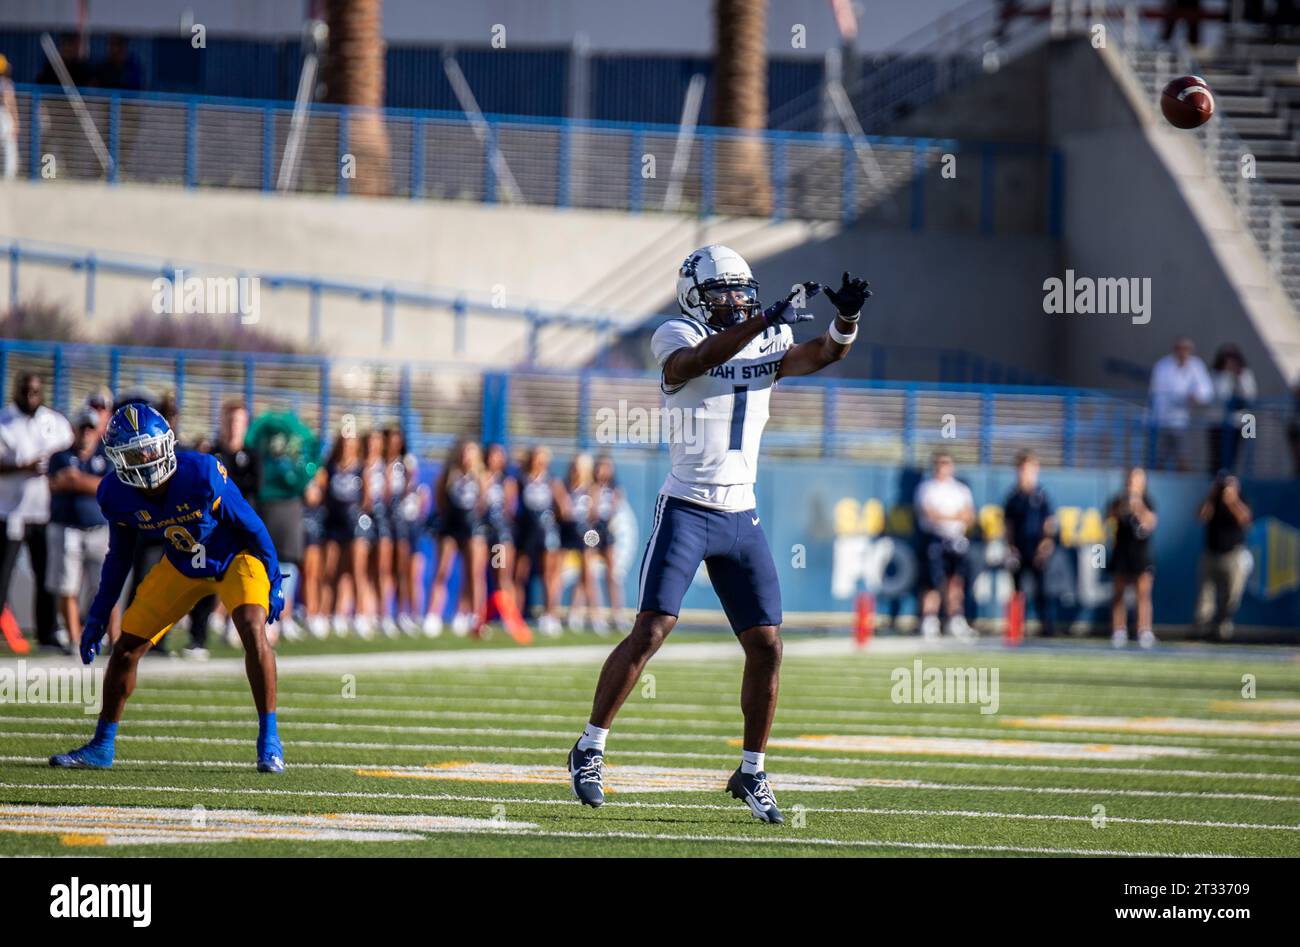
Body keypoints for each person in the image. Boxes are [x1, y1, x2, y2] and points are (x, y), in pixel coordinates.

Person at [568, 246, 870, 824]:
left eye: (742, 290)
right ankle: (590, 747)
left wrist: (847, 319)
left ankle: (752, 770)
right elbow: (697, 360)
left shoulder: (764, 335)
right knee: (652, 629)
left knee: (768, 645)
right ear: (695, 294)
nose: (736, 299)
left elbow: (824, 353)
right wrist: (765, 321)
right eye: (724, 291)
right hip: (686, 507)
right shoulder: (674, 331)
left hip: (742, 515)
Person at [49, 403, 285, 772]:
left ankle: (269, 739)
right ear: (116, 458)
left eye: (147, 449)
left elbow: (253, 527)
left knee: (253, 629)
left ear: (166, 444)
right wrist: (96, 617)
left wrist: (273, 580)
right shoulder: (115, 492)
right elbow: (119, 557)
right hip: (183, 563)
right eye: (132, 453)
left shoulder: (201, 472)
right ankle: (102, 745)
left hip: (234, 557)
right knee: (126, 647)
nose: (143, 460)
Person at [0, 373, 74, 651]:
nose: (30, 397)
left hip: (45, 512)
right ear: (16, 391)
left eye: (35, 392)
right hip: (11, 513)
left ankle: (47, 632)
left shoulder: (54, 423)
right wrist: (23, 467)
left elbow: (70, 457)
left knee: (46, 575)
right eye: (25, 391)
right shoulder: (5, 421)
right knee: (2, 575)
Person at [46, 409, 117, 653]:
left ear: (97, 431)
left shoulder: (106, 457)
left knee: (105, 586)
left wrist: (76, 481)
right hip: (67, 527)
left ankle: (111, 637)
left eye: (90, 428)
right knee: (68, 586)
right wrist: (90, 483)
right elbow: (54, 483)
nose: (86, 433)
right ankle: (76, 641)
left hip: (99, 528)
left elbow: (109, 487)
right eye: (82, 427)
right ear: (74, 430)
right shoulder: (60, 456)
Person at [425, 440, 487, 638]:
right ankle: (433, 615)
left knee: (474, 574)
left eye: (470, 453)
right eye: (464, 453)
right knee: (442, 570)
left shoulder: (482, 477)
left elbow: (483, 505)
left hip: (473, 528)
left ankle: (473, 616)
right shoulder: (448, 475)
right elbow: (441, 502)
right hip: (450, 527)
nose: (466, 457)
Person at [914, 451, 977, 641]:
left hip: (956, 540)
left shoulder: (960, 490)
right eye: (940, 463)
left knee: (955, 581)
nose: (943, 468)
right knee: (932, 581)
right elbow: (930, 515)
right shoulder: (927, 488)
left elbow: (969, 516)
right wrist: (953, 516)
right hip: (935, 539)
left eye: (946, 463)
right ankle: (929, 620)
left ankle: (955, 620)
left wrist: (946, 516)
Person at [318, 429, 374, 638]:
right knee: (330, 570)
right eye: (343, 444)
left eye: (350, 444)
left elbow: (368, 499)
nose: (346, 448)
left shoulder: (361, 469)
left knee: (358, 571)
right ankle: (325, 615)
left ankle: (360, 616)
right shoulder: (330, 469)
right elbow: (323, 495)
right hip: (333, 523)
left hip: (355, 524)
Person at [1002, 450, 1057, 637]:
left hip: (1036, 548)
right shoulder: (1013, 497)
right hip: (1019, 547)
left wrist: (1046, 543)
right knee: (1017, 589)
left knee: (1041, 589)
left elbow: (1048, 523)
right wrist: (1010, 546)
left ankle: (1046, 627)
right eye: (1023, 469)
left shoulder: (1041, 495)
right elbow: (1008, 525)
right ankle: (1016, 628)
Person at [1194, 473, 1253, 640]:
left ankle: (1223, 629)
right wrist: (1211, 495)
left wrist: (1233, 501)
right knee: (1206, 595)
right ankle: (1202, 630)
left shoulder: (1241, 500)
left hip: (1233, 555)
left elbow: (1245, 520)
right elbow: (1200, 517)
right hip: (1212, 553)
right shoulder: (1213, 501)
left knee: (1231, 596)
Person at [512, 445, 563, 636]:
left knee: (549, 575)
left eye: (542, 458)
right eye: (535, 457)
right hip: (526, 532)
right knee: (519, 574)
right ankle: (515, 617)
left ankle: (551, 615)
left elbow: (563, 508)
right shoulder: (520, 479)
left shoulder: (551, 481)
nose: (538, 462)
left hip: (547, 531)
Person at [1108, 467, 1158, 649]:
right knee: (1118, 594)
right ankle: (1118, 630)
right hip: (1122, 551)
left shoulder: (1148, 501)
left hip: (1141, 553)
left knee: (1143, 594)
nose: (1132, 484)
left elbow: (1150, 523)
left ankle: (1144, 629)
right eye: (1130, 480)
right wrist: (1123, 506)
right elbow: (1108, 518)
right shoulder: (1118, 500)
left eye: (1137, 480)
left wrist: (1138, 506)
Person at [1149, 337, 1213, 472]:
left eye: (1187, 349)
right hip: (1163, 420)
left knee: (1183, 458)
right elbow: (1158, 392)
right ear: (1175, 350)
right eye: (1180, 349)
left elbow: (1206, 389)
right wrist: (1183, 397)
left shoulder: (1196, 365)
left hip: (1183, 421)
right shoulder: (1163, 366)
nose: (1183, 352)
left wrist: (1196, 396)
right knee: (1159, 458)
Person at [384, 428, 423, 636]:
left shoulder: (406, 463)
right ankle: (383, 614)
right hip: (383, 521)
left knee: (404, 569)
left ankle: (405, 613)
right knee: (383, 570)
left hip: (404, 522)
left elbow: (413, 489)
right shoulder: (379, 464)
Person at [362, 428, 397, 637]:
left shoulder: (386, 468)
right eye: (370, 443)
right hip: (362, 519)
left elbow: (388, 497)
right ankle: (365, 614)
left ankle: (384, 614)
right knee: (363, 568)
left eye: (376, 443)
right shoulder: (360, 467)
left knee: (383, 569)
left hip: (382, 518)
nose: (373, 447)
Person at [559, 452, 599, 632]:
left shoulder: (592, 488)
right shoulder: (565, 486)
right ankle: (554, 613)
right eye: (574, 466)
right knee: (557, 573)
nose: (576, 470)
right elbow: (564, 512)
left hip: (586, 532)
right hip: (567, 531)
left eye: (580, 467)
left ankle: (593, 615)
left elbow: (594, 514)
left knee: (588, 575)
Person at [481, 442, 518, 634]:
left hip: (500, 536)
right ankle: (484, 617)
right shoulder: (481, 477)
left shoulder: (506, 481)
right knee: (483, 575)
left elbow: (509, 510)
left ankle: (510, 619)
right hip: (483, 533)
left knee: (502, 576)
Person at [1207, 344, 1257, 474]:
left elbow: (1250, 395)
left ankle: (1231, 480)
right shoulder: (1216, 374)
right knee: (1217, 456)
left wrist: (1238, 377)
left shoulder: (1245, 374)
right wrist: (1227, 375)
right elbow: (1220, 395)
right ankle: (1216, 482)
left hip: (1239, 422)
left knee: (1235, 455)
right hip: (1218, 422)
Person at [589, 454, 624, 633]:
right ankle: (596, 614)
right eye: (601, 467)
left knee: (612, 574)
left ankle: (617, 614)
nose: (604, 471)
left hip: (606, 529)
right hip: (592, 531)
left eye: (607, 467)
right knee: (589, 573)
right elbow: (592, 513)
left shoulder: (614, 489)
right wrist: (595, 491)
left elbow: (613, 511)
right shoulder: (591, 487)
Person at [0, 54, 18, 181]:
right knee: (9, 145)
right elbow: (9, 102)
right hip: (3, 116)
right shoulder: (6, 83)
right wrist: (16, 121)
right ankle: (9, 176)